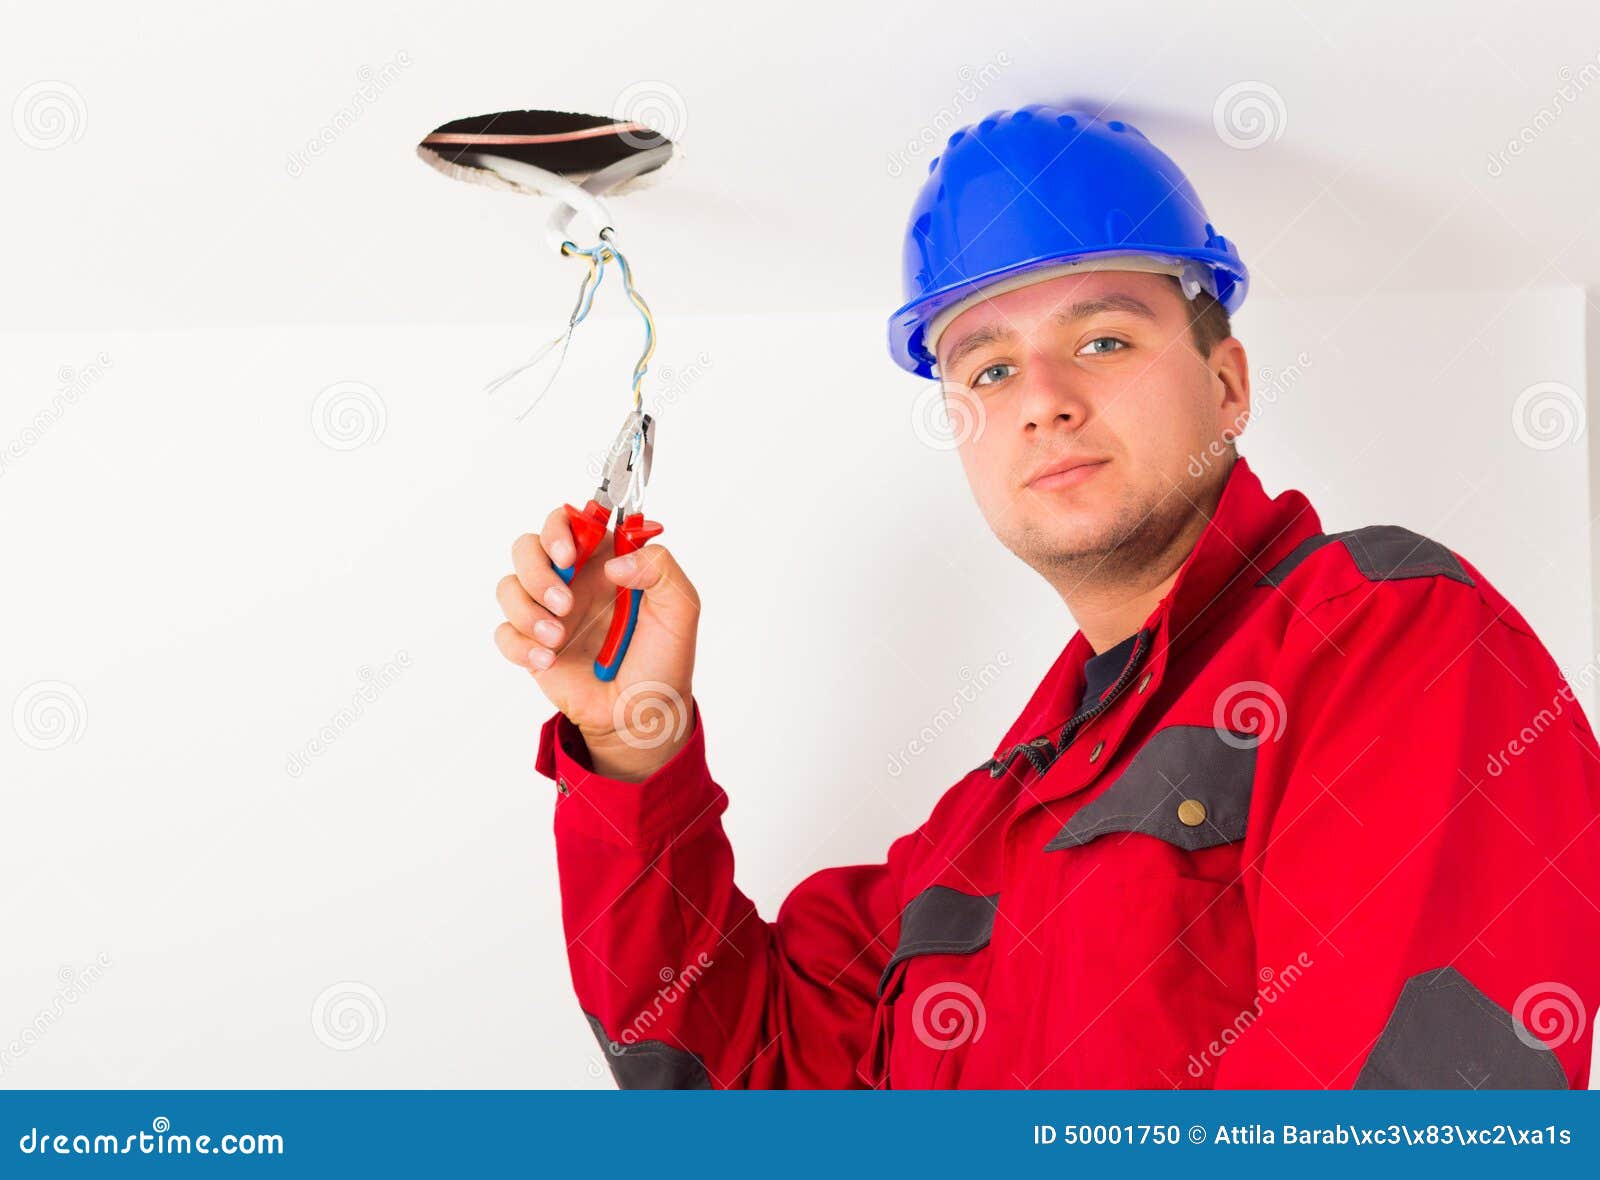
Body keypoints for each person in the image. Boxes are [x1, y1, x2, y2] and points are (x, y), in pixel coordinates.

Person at [493, 104, 1600, 1089]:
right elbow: (730, 1081)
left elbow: (1412, 1122)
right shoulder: (989, 826)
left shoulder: (1383, 635)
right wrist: (632, 745)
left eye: (1103, 339)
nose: (1045, 402)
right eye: (987, 369)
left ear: (1226, 386)